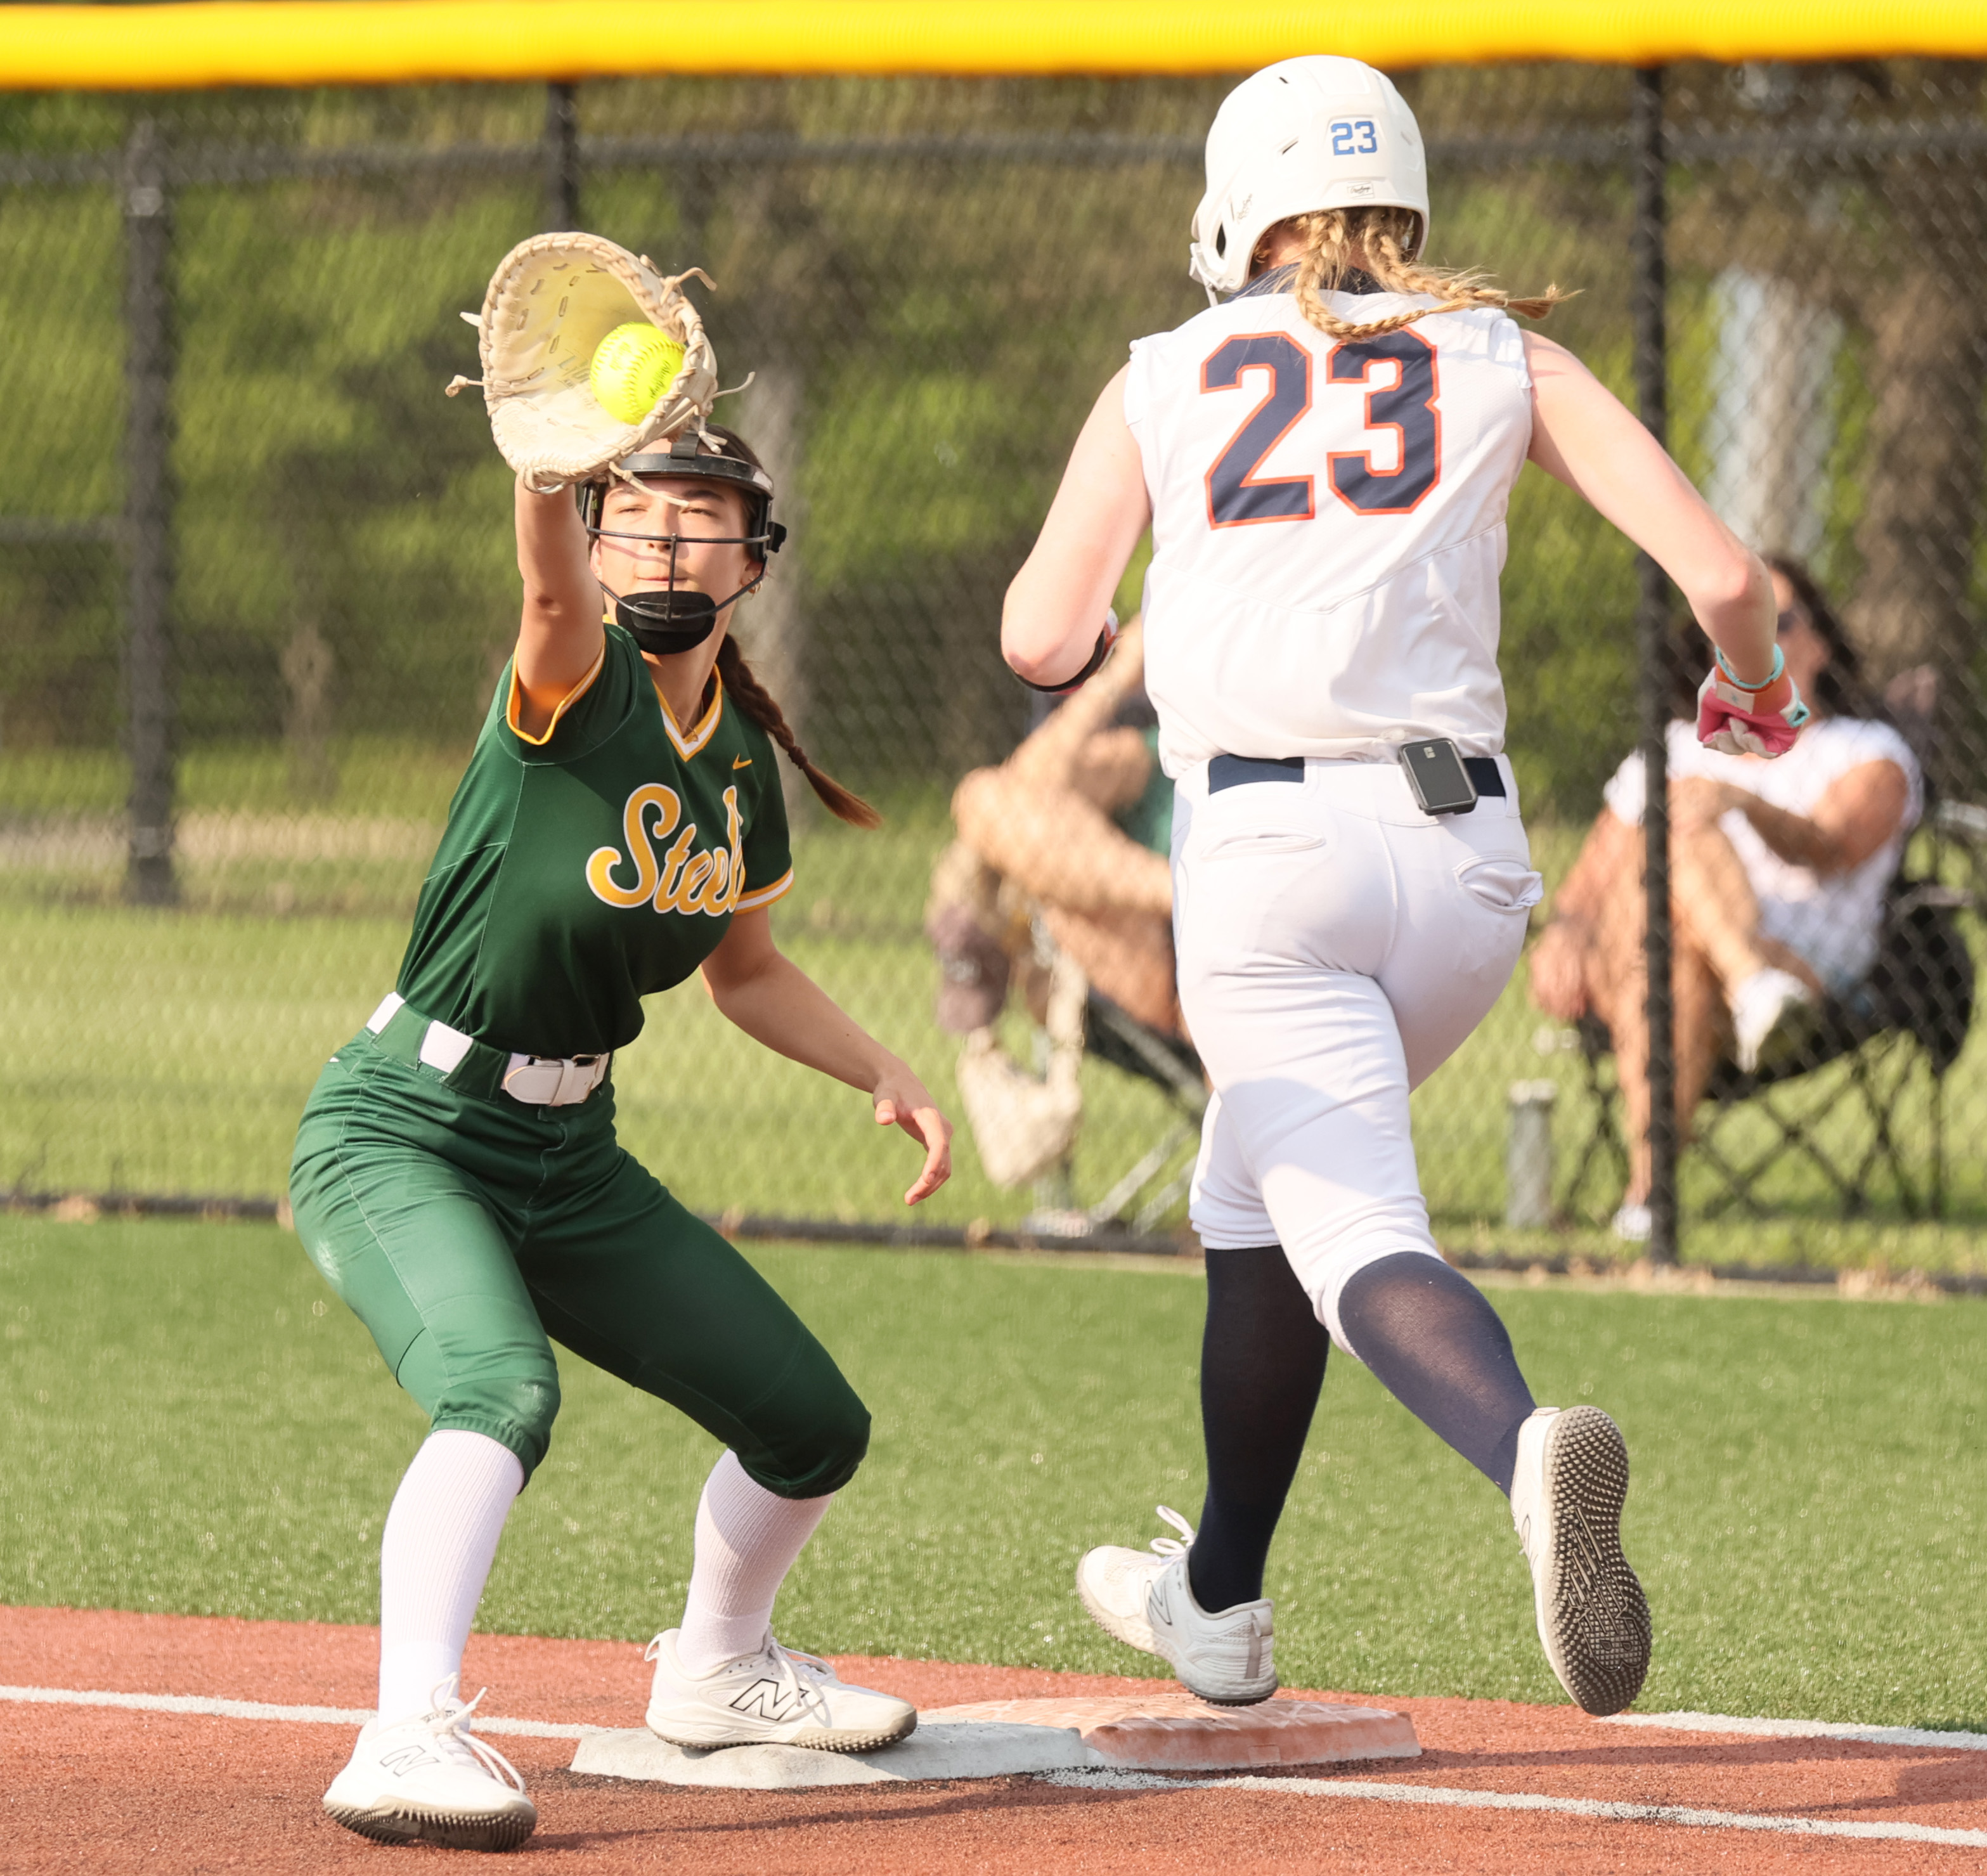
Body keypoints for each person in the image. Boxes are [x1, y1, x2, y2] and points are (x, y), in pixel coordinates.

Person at [1002, 56, 1805, 1718]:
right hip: (1460, 869)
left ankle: (1522, 1450)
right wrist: (1757, 697)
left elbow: (1034, 634)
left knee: (1350, 1223)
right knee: (1251, 1201)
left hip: (1268, 862)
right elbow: (1723, 575)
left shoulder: (1166, 369)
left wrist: (1102, 635)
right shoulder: (1504, 345)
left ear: (1235, 205)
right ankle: (1215, 1594)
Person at [290, 423, 952, 1851]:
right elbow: (540, 593)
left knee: (810, 1424)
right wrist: (546, 448)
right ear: (593, 546)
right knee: (499, 1392)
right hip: (405, 1125)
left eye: (700, 520)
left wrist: (880, 1065)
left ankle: (716, 1668)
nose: (664, 544)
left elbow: (748, 971)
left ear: (754, 560)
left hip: (568, 1155)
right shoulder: (572, 682)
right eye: (636, 518)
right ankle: (405, 1730)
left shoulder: (738, 771)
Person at [1530, 556, 1921, 1241]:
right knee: (1671, 878)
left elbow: (1829, 846)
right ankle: (1751, 989)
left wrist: (1737, 801)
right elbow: (1586, 888)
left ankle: (1647, 1197)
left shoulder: (1867, 752)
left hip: (1805, 973)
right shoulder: (1677, 747)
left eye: (1780, 618)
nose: (1756, 636)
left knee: (1677, 879)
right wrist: (1562, 933)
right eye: (1736, 623)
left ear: (1820, 643)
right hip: (1666, 967)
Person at [943, 615, 1182, 1040]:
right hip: (1162, 942)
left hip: (1218, 920)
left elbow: (1028, 786)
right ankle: (1191, 890)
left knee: (986, 803)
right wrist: (1120, 672)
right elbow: (1025, 789)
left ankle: (1193, 892)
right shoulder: (1150, 760)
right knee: (982, 798)